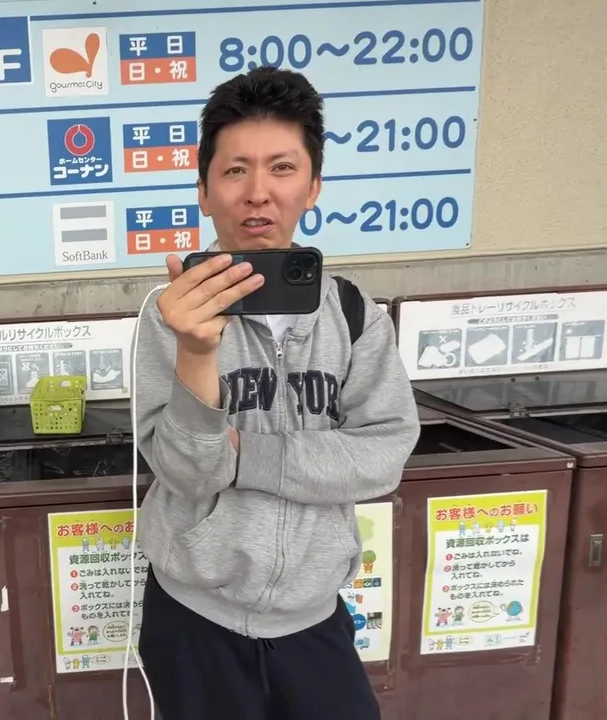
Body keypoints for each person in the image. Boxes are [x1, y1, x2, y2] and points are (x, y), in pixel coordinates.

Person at [132, 67, 420, 719]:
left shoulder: (354, 316)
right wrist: (197, 350)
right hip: (194, 617)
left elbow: (384, 455)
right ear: (204, 191)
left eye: (282, 168)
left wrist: (245, 455)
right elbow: (185, 470)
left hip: (313, 617)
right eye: (235, 170)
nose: (258, 192)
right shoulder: (170, 315)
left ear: (312, 186)